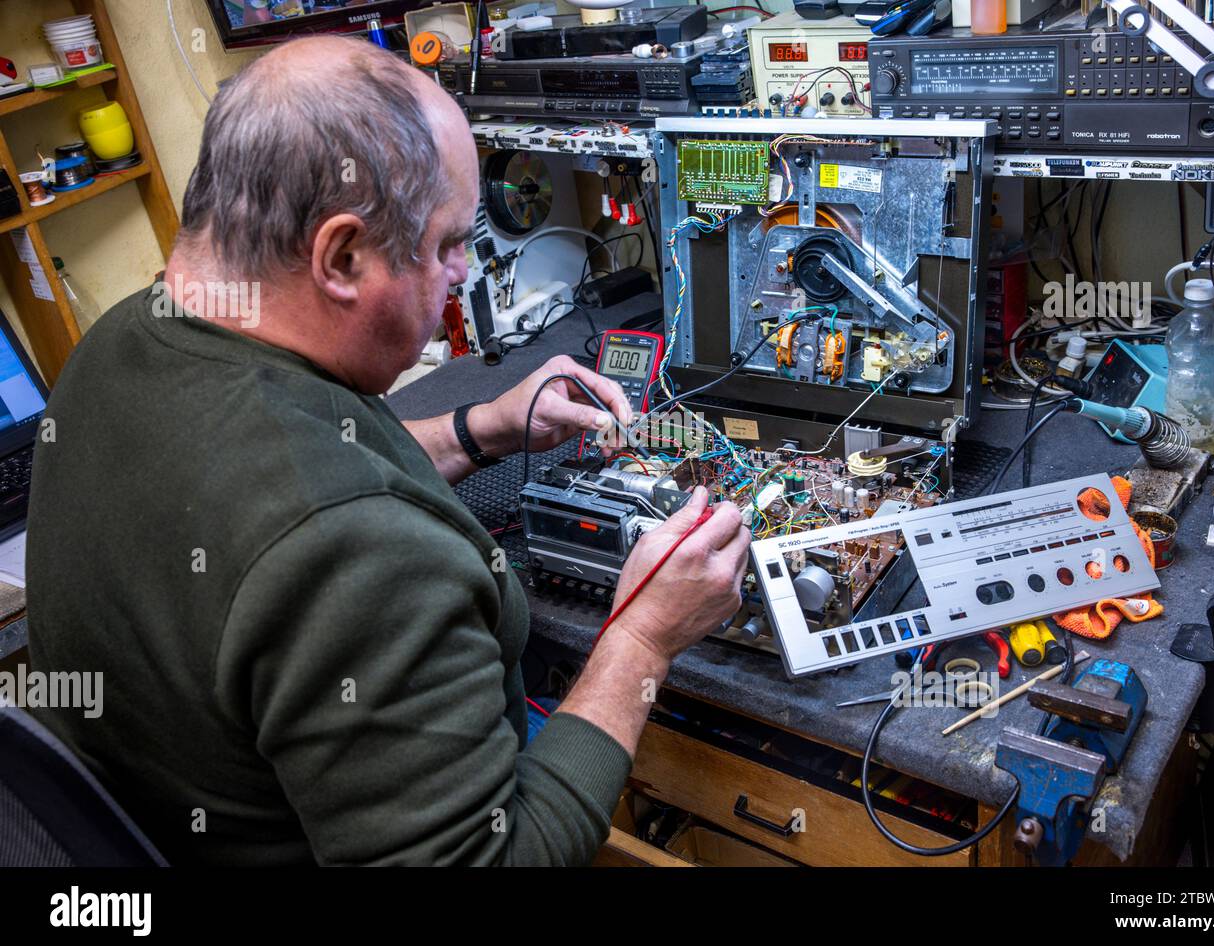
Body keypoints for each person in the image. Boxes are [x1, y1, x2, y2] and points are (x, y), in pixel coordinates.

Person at [26, 36, 749, 865]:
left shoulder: (121, 342)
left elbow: (299, 461)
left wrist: (484, 427)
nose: (458, 276)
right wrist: (640, 640)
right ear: (341, 256)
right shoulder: (358, 558)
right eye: (447, 246)